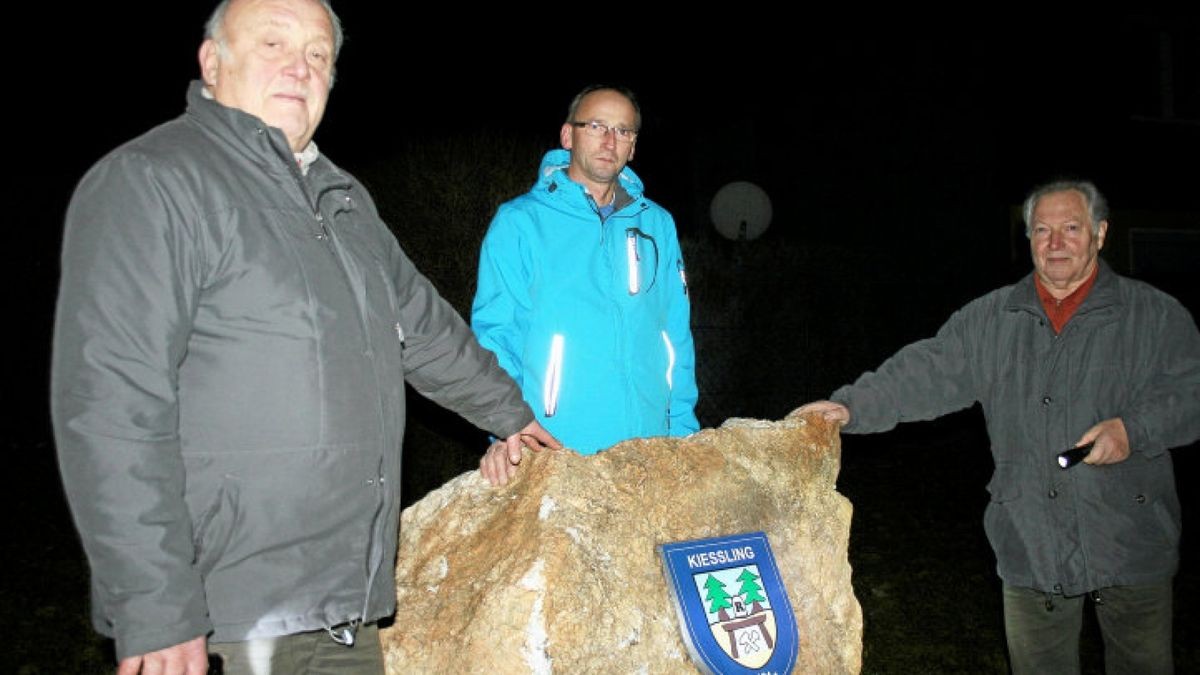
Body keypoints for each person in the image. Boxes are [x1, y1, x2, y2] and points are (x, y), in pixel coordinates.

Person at [50, 1, 559, 673]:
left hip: (347, 608)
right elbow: (112, 401)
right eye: (272, 43)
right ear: (211, 61)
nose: (300, 66)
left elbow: (426, 330)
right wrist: (154, 607)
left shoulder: (345, 201)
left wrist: (513, 415)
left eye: (319, 54)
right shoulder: (153, 181)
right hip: (222, 618)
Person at [792, 179, 1200, 673]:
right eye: (1042, 230)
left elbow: (1190, 393)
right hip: (1031, 539)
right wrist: (851, 407)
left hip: (1130, 537)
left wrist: (1134, 430)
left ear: (1100, 233)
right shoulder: (991, 319)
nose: (1055, 243)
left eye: (1071, 228)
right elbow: (928, 370)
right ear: (1027, 238)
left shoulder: (1154, 316)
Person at [470, 84, 699, 468]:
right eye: (596, 126)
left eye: (623, 131)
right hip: (557, 449)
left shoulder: (657, 223)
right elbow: (496, 335)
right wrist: (508, 428)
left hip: (652, 449)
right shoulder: (520, 222)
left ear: (633, 146)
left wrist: (685, 435)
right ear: (568, 135)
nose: (610, 141)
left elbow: (675, 335)